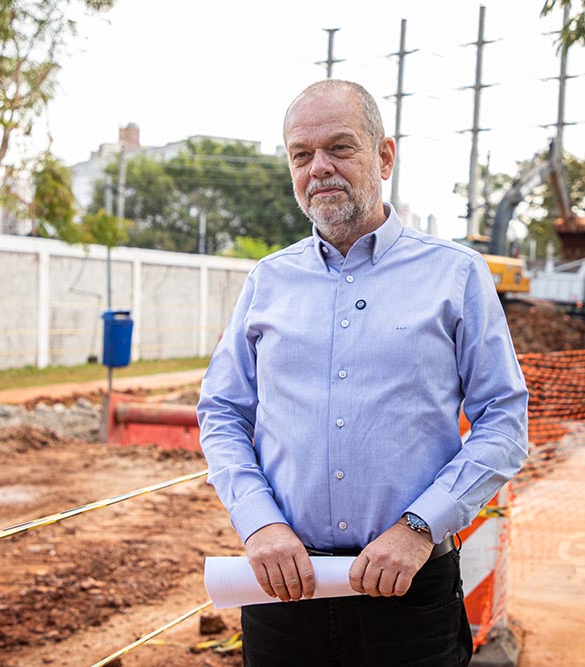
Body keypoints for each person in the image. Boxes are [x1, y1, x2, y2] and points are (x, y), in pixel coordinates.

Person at [196, 79, 529, 667]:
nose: (319, 167)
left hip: (410, 590)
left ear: (385, 156)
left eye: (340, 148)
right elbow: (221, 411)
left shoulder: (457, 275)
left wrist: (419, 528)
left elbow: (504, 421)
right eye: (302, 154)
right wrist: (258, 523)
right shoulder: (267, 281)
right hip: (283, 587)